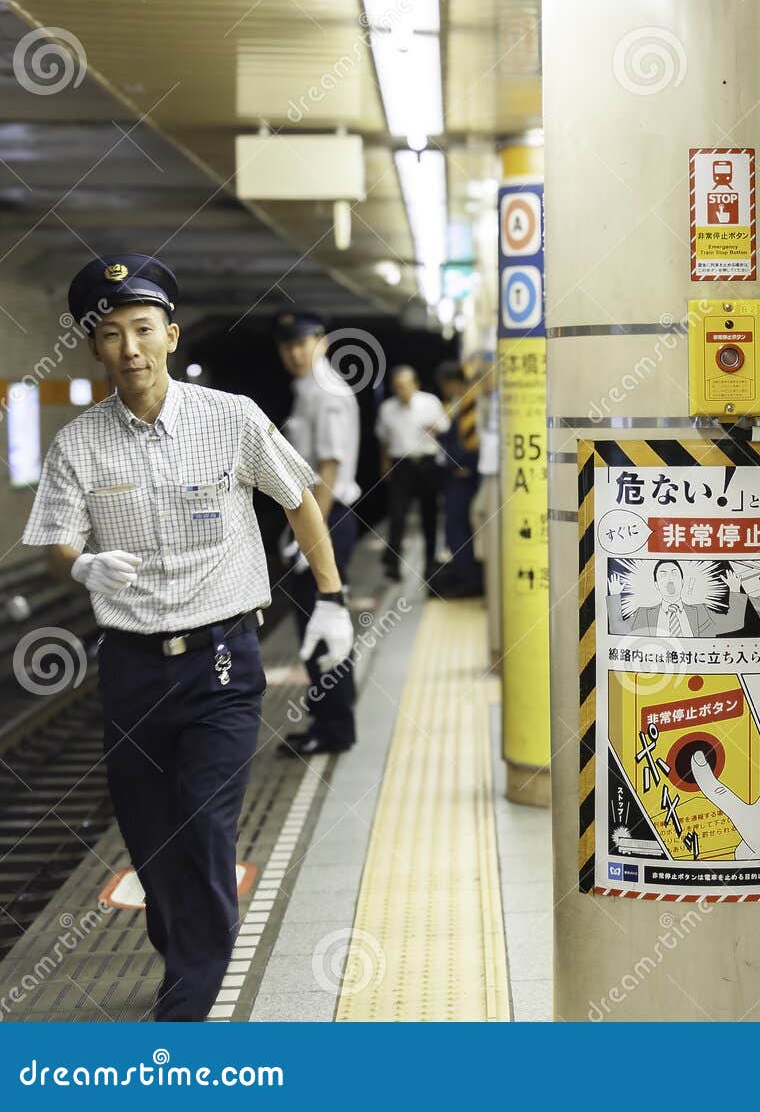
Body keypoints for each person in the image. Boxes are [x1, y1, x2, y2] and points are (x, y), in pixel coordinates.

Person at [21, 255, 354, 1020]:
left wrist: (331, 598)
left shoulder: (230, 417)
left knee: (204, 821)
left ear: (169, 334)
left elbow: (300, 498)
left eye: (143, 329)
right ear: (94, 347)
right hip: (132, 667)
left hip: (221, 661)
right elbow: (59, 542)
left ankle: (189, 1004)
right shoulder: (79, 444)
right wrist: (84, 566)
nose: (130, 347)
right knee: (150, 836)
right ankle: (183, 943)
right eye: (111, 334)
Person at [273, 310, 362, 757]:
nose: (294, 352)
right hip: (321, 519)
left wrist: (314, 536)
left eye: (302, 342)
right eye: (287, 345)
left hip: (326, 517)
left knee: (321, 623)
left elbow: (328, 467)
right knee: (320, 623)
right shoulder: (309, 389)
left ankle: (333, 730)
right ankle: (331, 719)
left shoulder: (325, 392)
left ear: (322, 342)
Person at [375, 365, 447, 587]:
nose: (401, 391)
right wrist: (385, 464)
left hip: (426, 464)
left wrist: (434, 429)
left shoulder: (430, 402)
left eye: (405, 386)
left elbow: (445, 427)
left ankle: (430, 565)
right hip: (401, 466)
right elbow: (383, 440)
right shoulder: (387, 408)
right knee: (397, 516)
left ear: (415, 385)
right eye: (396, 387)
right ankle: (393, 564)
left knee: (430, 518)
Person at [434, 359, 484, 598]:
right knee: (458, 526)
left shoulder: (470, 403)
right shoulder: (465, 402)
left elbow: (472, 445)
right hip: (460, 472)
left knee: (456, 526)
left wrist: (465, 465)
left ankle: (467, 579)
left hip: (464, 475)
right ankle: (465, 574)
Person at [630, 560, 715, 637]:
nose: (669, 578)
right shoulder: (643, 614)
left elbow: (719, 630)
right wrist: (615, 595)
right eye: (663, 575)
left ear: (682, 582)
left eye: (674, 573)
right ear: (656, 585)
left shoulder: (700, 611)